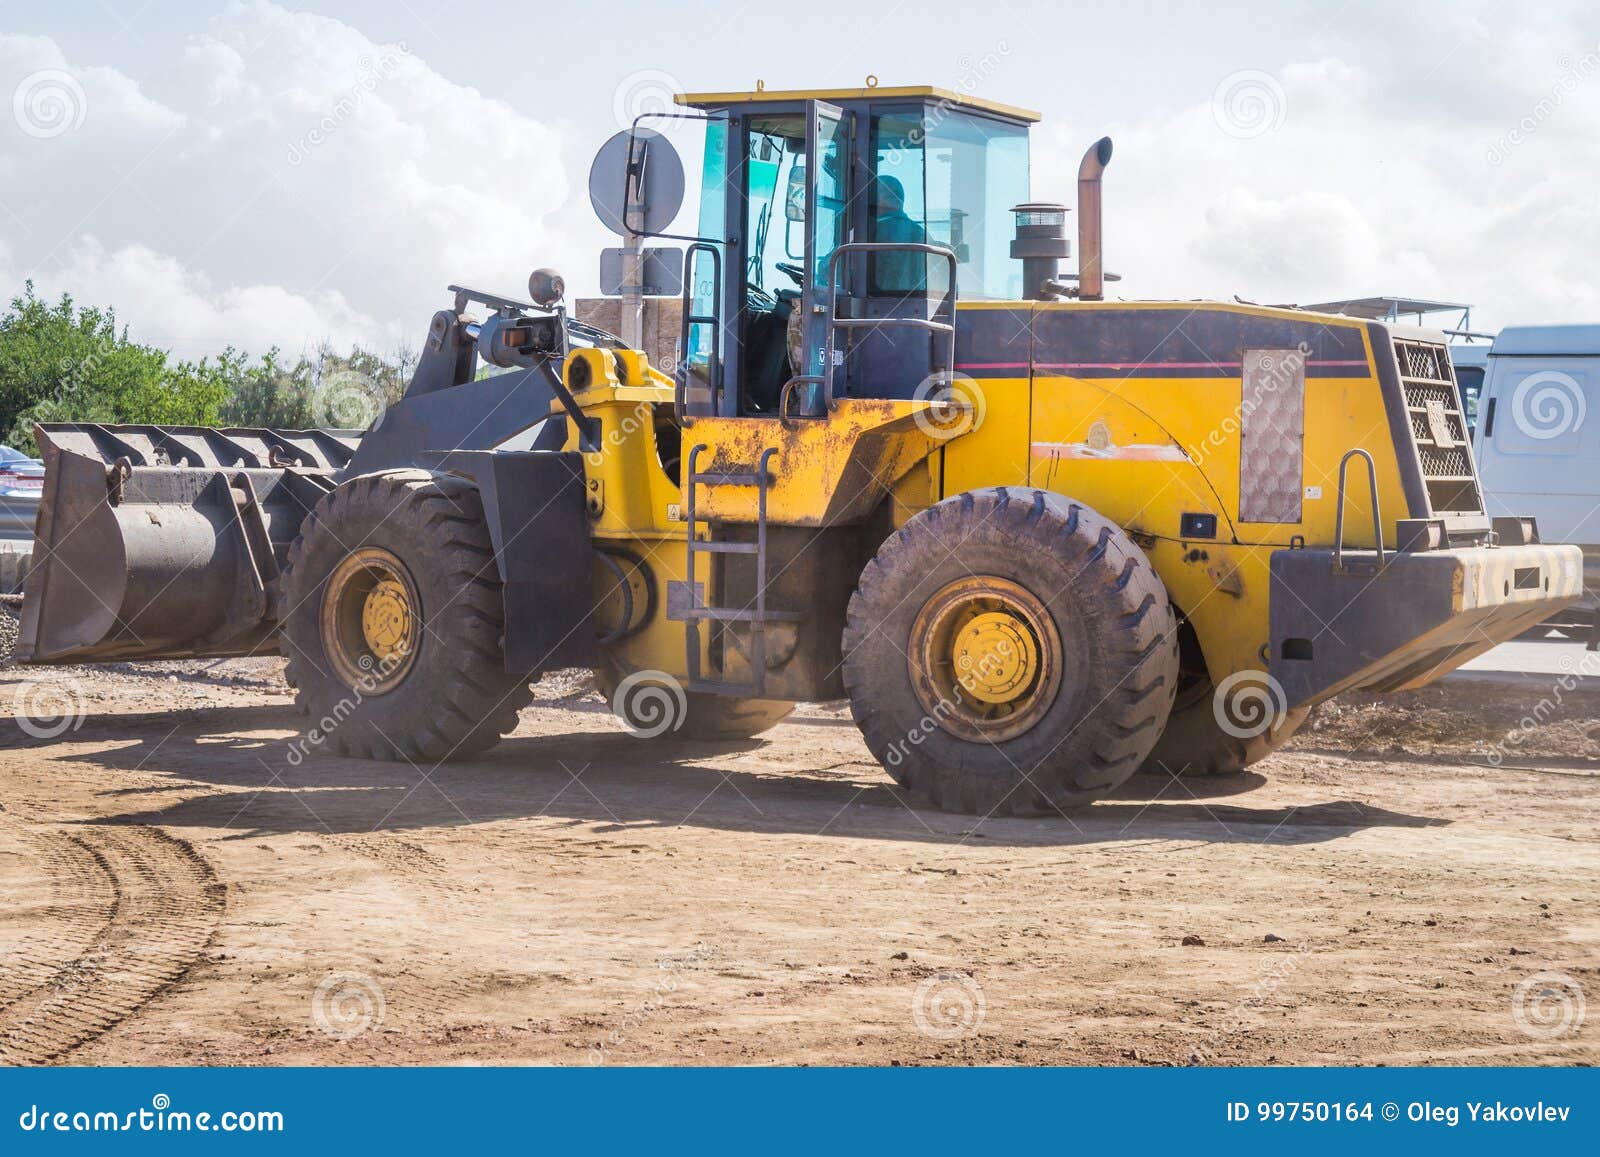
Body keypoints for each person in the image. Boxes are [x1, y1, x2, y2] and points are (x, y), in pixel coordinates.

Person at [871, 175, 927, 294]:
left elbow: (828, 271)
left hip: (877, 307)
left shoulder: (866, 231)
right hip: (914, 306)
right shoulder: (921, 233)